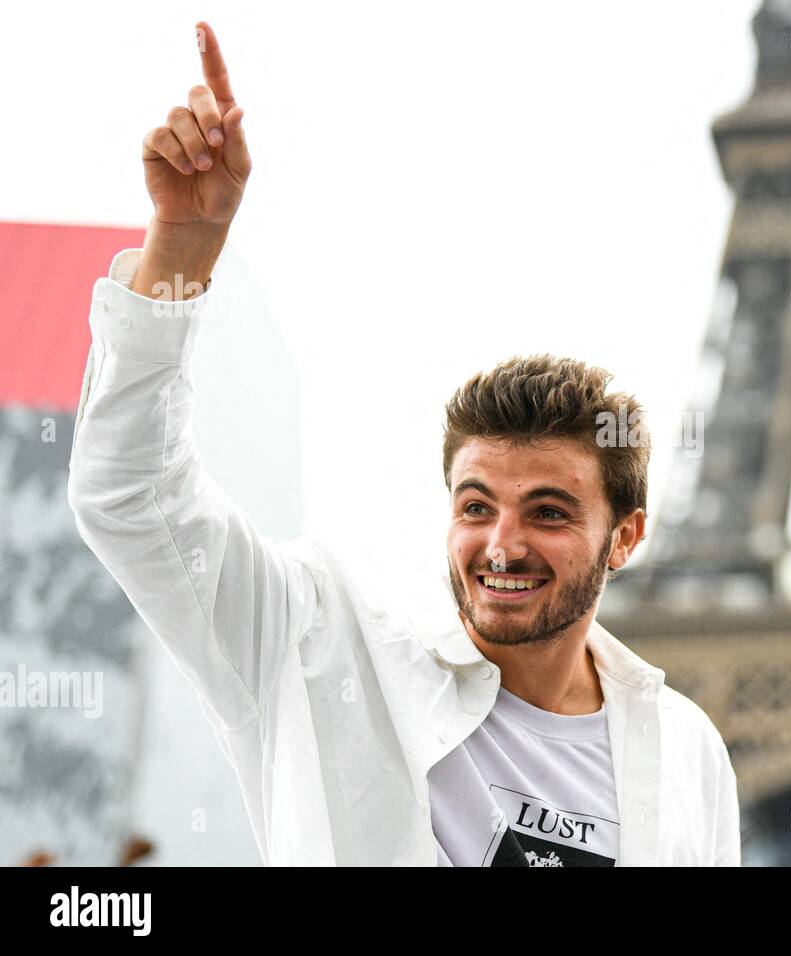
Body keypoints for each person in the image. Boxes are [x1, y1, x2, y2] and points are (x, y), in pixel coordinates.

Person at [67, 21, 740, 867]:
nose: (503, 543)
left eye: (550, 511)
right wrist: (184, 246)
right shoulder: (320, 653)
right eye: (476, 505)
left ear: (626, 536)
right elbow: (131, 498)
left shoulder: (687, 753)